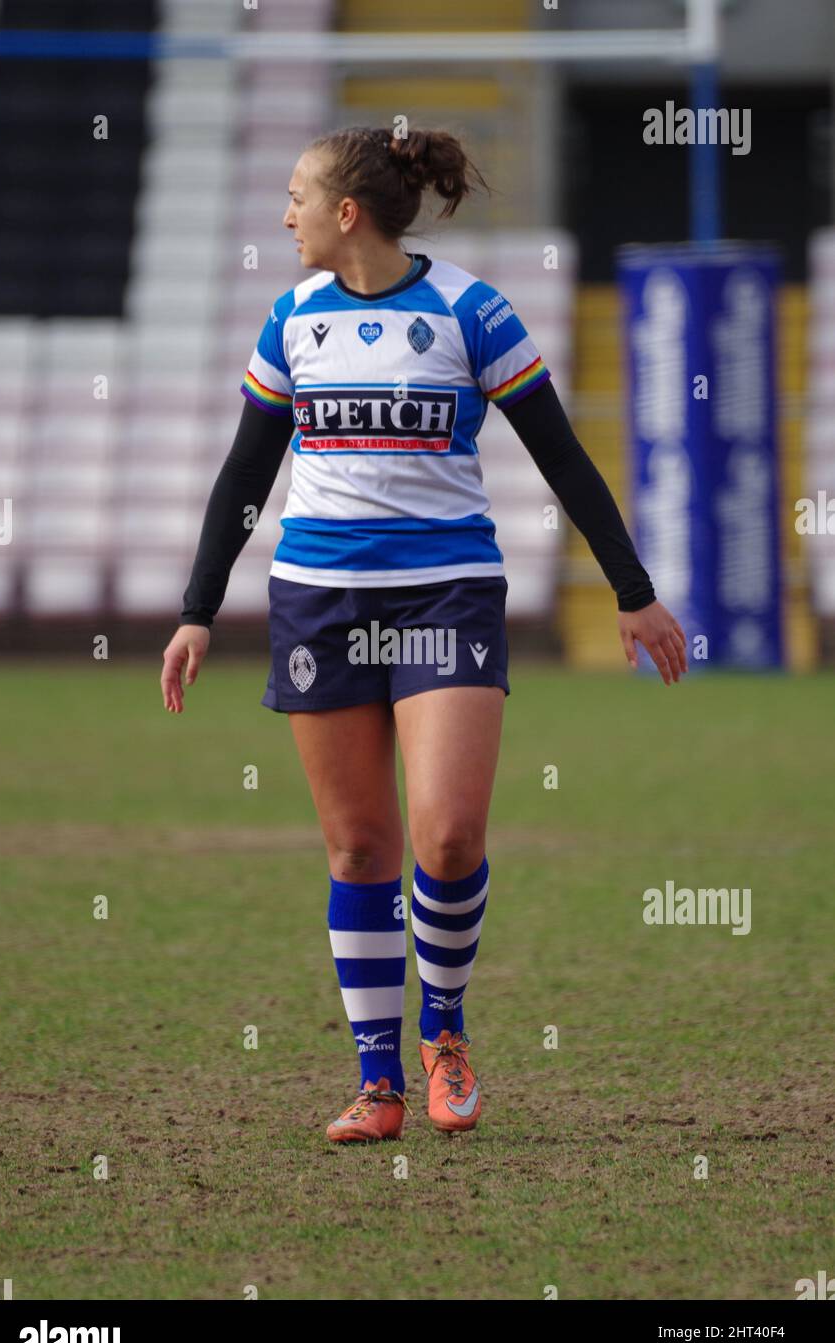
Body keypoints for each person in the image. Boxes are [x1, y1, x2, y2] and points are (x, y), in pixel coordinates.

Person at [160, 126, 687, 1144]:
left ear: (344, 213)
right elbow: (243, 477)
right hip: (318, 601)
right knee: (361, 845)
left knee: (444, 835)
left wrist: (633, 589)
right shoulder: (291, 321)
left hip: (445, 596)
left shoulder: (467, 312)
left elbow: (561, 456)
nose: (285, 217)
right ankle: (377, 1082)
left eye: (296, 198)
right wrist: (195, 607)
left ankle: (443, 1033)